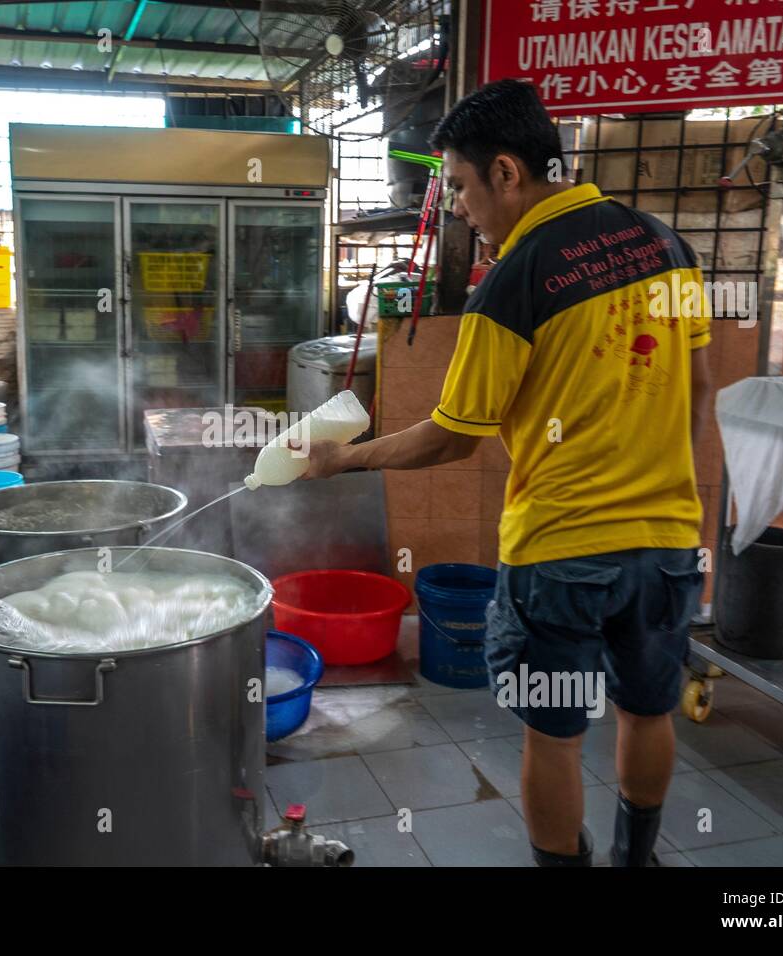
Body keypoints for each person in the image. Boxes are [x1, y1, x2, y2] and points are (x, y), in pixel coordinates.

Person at [299, 80, 712, 867]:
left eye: (458, 185)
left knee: (553, 733)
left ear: (507, 174)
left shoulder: (517, 279)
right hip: (666, 544)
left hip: (561, 551)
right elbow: (695, 393)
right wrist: (663, 490)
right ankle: (639, 858)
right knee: (646, 709)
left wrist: (341, 459)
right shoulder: (664, 244)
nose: (456, 205)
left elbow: (453, 437)